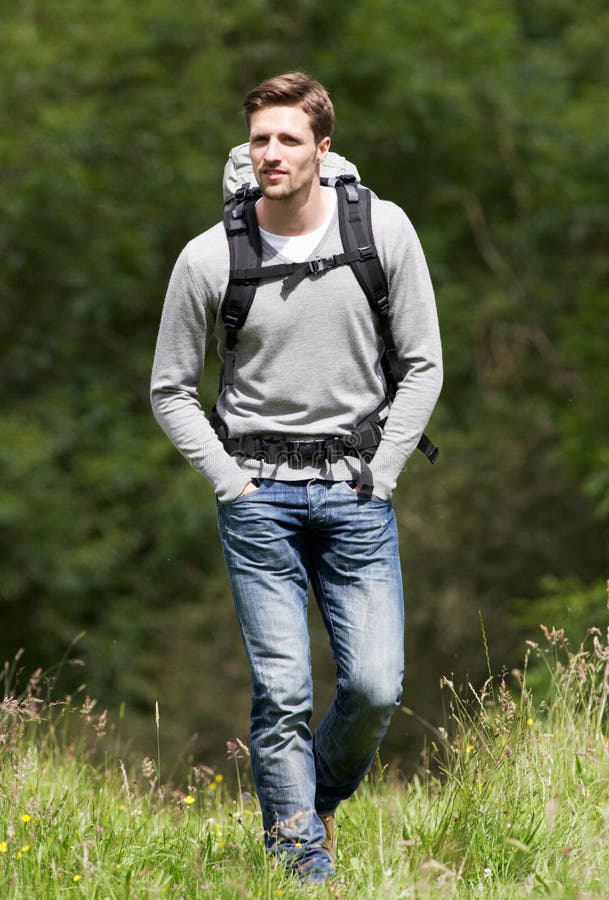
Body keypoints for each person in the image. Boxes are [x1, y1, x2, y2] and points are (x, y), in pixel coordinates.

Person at [150, 72, 442, 884]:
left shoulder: (381, 232)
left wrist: (382, 473)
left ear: (323, 147)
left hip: (355, 492)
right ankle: (299, 863)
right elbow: (169, 388)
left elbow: (422, 366)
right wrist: (228, 482)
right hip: (256, 497)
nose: (269, 153)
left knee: (376, 688)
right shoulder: (209, 257)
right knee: (280, 693)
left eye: (286, 138)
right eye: (258, 139)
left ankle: (311, 801)